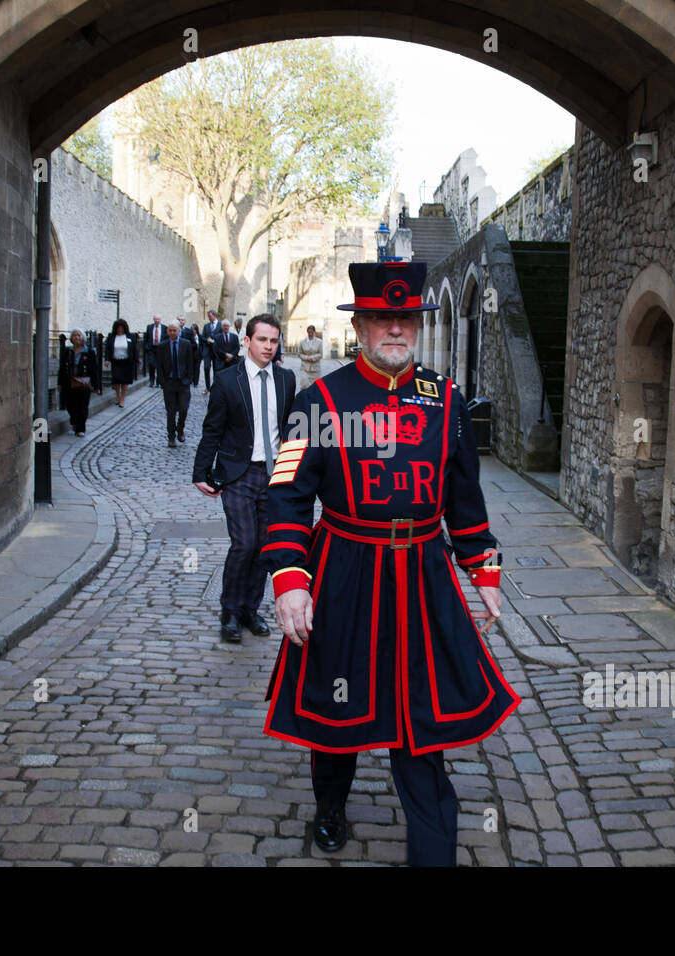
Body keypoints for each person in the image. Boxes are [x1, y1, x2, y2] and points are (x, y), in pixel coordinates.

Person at [258, 261, 520, 866]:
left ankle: (434, 852)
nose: (396, 330)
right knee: (335, 705)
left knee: (422, 715)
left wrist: (482, 566)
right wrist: (290, 582)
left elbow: (464, 495)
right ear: (363, 325)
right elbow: (288, 496)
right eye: (383, 319)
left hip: (424, 574)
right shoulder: (317, 400)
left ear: (416, 324)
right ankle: (330, 804)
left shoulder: (447, 400)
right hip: (344, 571)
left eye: (406, 319)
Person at [193, 315, 296, 643]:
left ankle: (251, 610)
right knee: (244, 543)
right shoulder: (226, 380)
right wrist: (200, 472)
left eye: (274, 341)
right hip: (238, 473)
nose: (268, 347)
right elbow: (213, 428)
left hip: (275, 474)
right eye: (262, 340)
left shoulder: (286, 379)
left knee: (265, 546)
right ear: (247, 341)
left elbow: (290, 429)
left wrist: (293, 471)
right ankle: (230, 612)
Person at [157, 318, 196, 447]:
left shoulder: (186, 344)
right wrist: (162, 381)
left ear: (179, 331)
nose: (172, 333)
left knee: (184, 409)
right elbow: (160, 366)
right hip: (169, 383)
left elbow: (190, 363)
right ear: (167, 331)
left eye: (175, 330)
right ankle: (171, 437)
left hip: (182, 383)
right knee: (171, 412)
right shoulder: (163, 346)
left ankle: (180, 429)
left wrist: (189, 379)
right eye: (170, 330)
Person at [56, 327, 102, 436]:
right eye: (75, 335)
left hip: (83, 383)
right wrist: (59, 383)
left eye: (79, 335)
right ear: (71, 338)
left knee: (82, 406)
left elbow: (94, 369)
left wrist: (97, 386)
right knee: (70, 405)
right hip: (69, 383)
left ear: (83, 338)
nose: (77, 337)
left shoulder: (89, 352)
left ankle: (81, 429)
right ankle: (74, 422)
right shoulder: (67, 351)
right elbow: (62, 368)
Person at [105, 318, 135, 406]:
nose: (120, 330)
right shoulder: (111, 336)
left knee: (125, 381)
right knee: (116, 381)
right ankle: (117, 396)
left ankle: (122, 398)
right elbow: (107, 350)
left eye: (122, 328)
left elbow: (134, 349)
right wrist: (107, 360)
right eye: (118, 328)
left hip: (127, 361)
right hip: (116, 361)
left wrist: (137, 359)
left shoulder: (130, 336)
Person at [200, 310, 221, 393]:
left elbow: (221, 337)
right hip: (207, 351)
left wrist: (214, 341)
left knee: (216, 369)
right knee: (206, 368)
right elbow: (202, 337)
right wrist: (207, 340)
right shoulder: (206, 326)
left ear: (214, 316)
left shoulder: (220, 325)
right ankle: (207, 387)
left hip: (216, 351)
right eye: (208, 316)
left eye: (210, 316)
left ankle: (215, 387)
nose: (208, 318)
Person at [143, 315, 165, 387]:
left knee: (159, 366)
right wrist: (146, 347)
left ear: (160, 320)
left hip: (161, 349)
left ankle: (158, 382)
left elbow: (166, 338)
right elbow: (146, 338)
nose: (157, 321)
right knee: (151, 364)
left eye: (158, 319)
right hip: (151, 349)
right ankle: (151, 381)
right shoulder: (149, 327)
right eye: (156, 319)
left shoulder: (164, 327)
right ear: (153, 320)